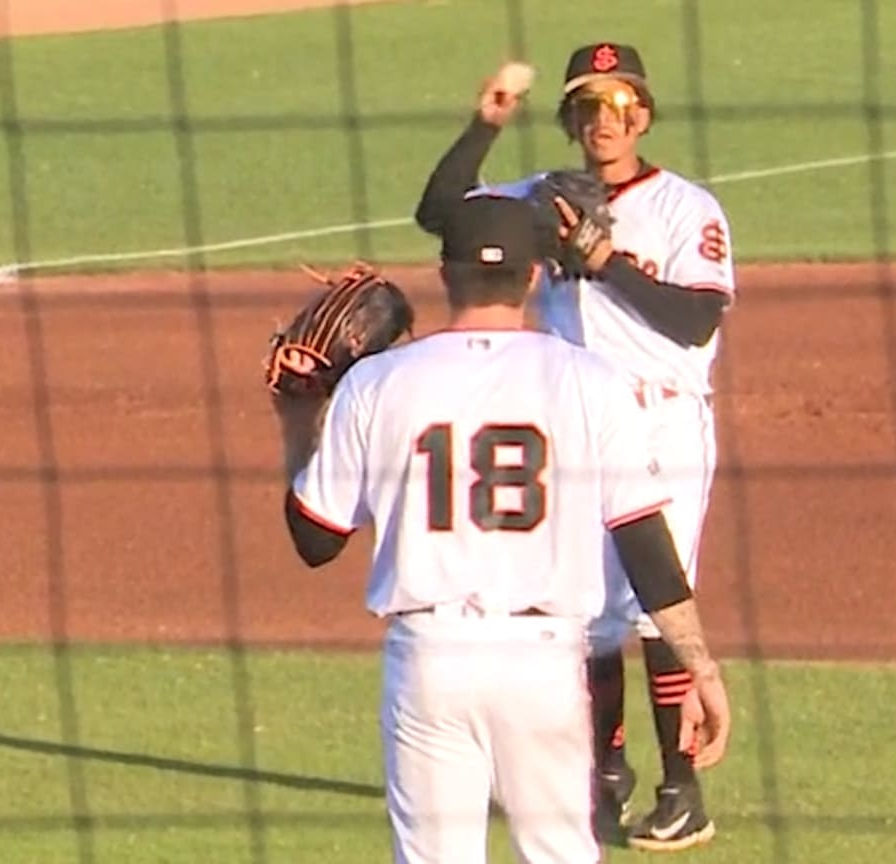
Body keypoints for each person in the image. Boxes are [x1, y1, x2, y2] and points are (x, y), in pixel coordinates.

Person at [273, 194, 732, 864]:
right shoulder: (592, 381)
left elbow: (315, 539)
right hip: (542, 661)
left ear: (444, 274)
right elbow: (646, 546)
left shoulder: (376, 383)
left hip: (429, 658)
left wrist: (297, 419)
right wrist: (701, 669)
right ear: (535, 276)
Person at [412, 43, 736, 852]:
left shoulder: (685, 208)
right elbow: (442, 211)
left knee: (660, 605)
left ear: (645, 114)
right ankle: (603, 778)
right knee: (581, 616)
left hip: (662, 425)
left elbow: (696, 319)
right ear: (570, 119)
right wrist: (486, 121)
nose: (606, 121)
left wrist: (605, 262)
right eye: (589, 107)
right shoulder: (537, 203)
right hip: (572, 425)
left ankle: (682, 786)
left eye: (622, 105)